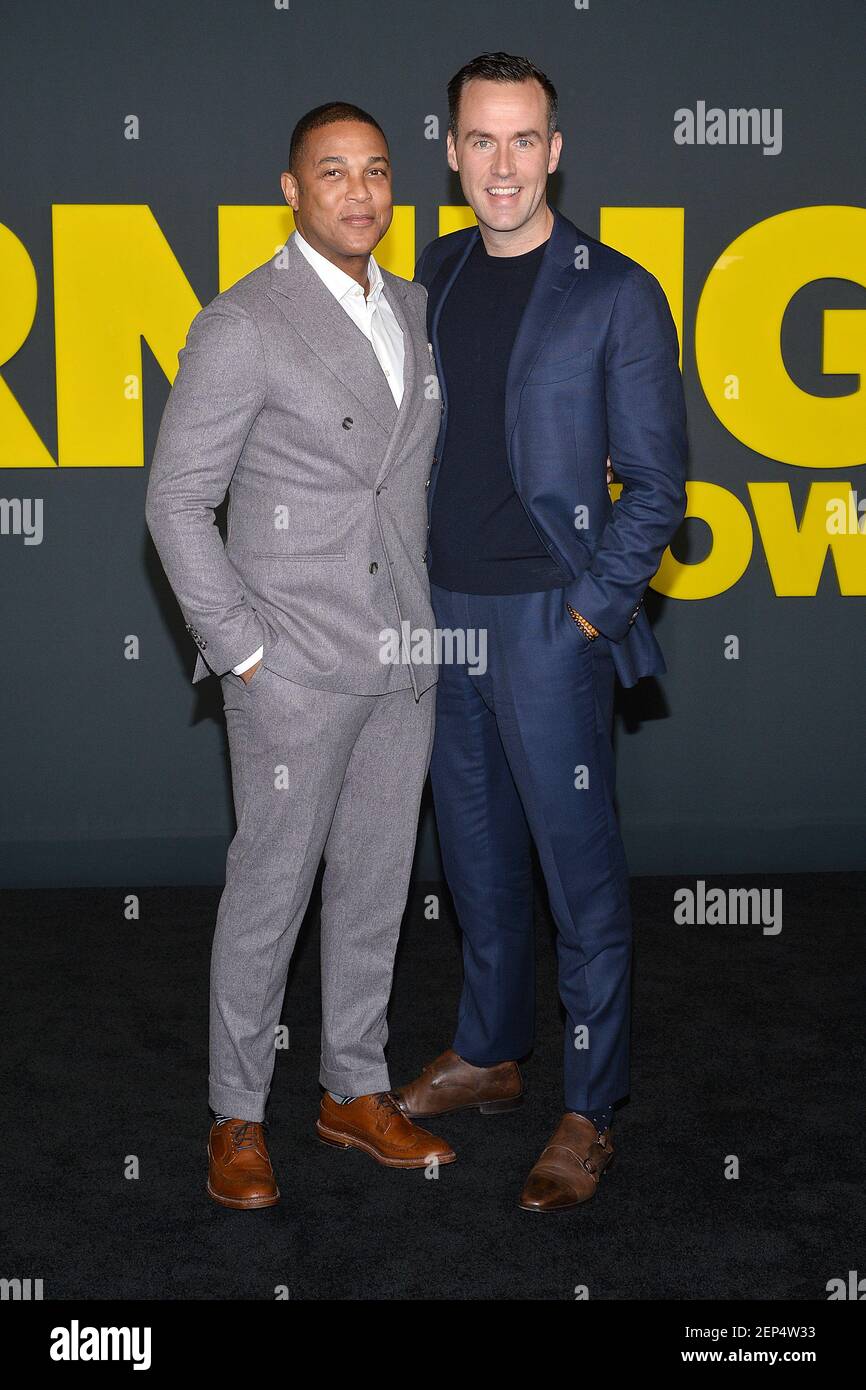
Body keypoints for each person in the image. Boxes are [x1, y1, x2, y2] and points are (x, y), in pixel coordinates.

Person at [146, 102, 455, 1208]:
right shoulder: (244, 321)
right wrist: (243, 655)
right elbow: (176, 501)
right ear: (291, 190)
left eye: (376, 172)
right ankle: (236, 1113)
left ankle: (350, 1088)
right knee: (268, 891)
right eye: (333, 173)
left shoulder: (413, 307)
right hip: (292, 667)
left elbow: (405, 487)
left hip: (401, 659)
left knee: (375, 887)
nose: (360, 192)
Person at [394, 53, 688, 1212]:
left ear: (554, 150)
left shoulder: (614, 290)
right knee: (471, 859)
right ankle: (487, 1051)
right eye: (480, 141)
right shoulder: (435, 276)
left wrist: (583, 616)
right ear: (451, 151)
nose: (501, 165)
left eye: (523, 141)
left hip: (545, 622)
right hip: (440, 617)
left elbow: (656, 488)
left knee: (579, 880)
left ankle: (586, 1105)